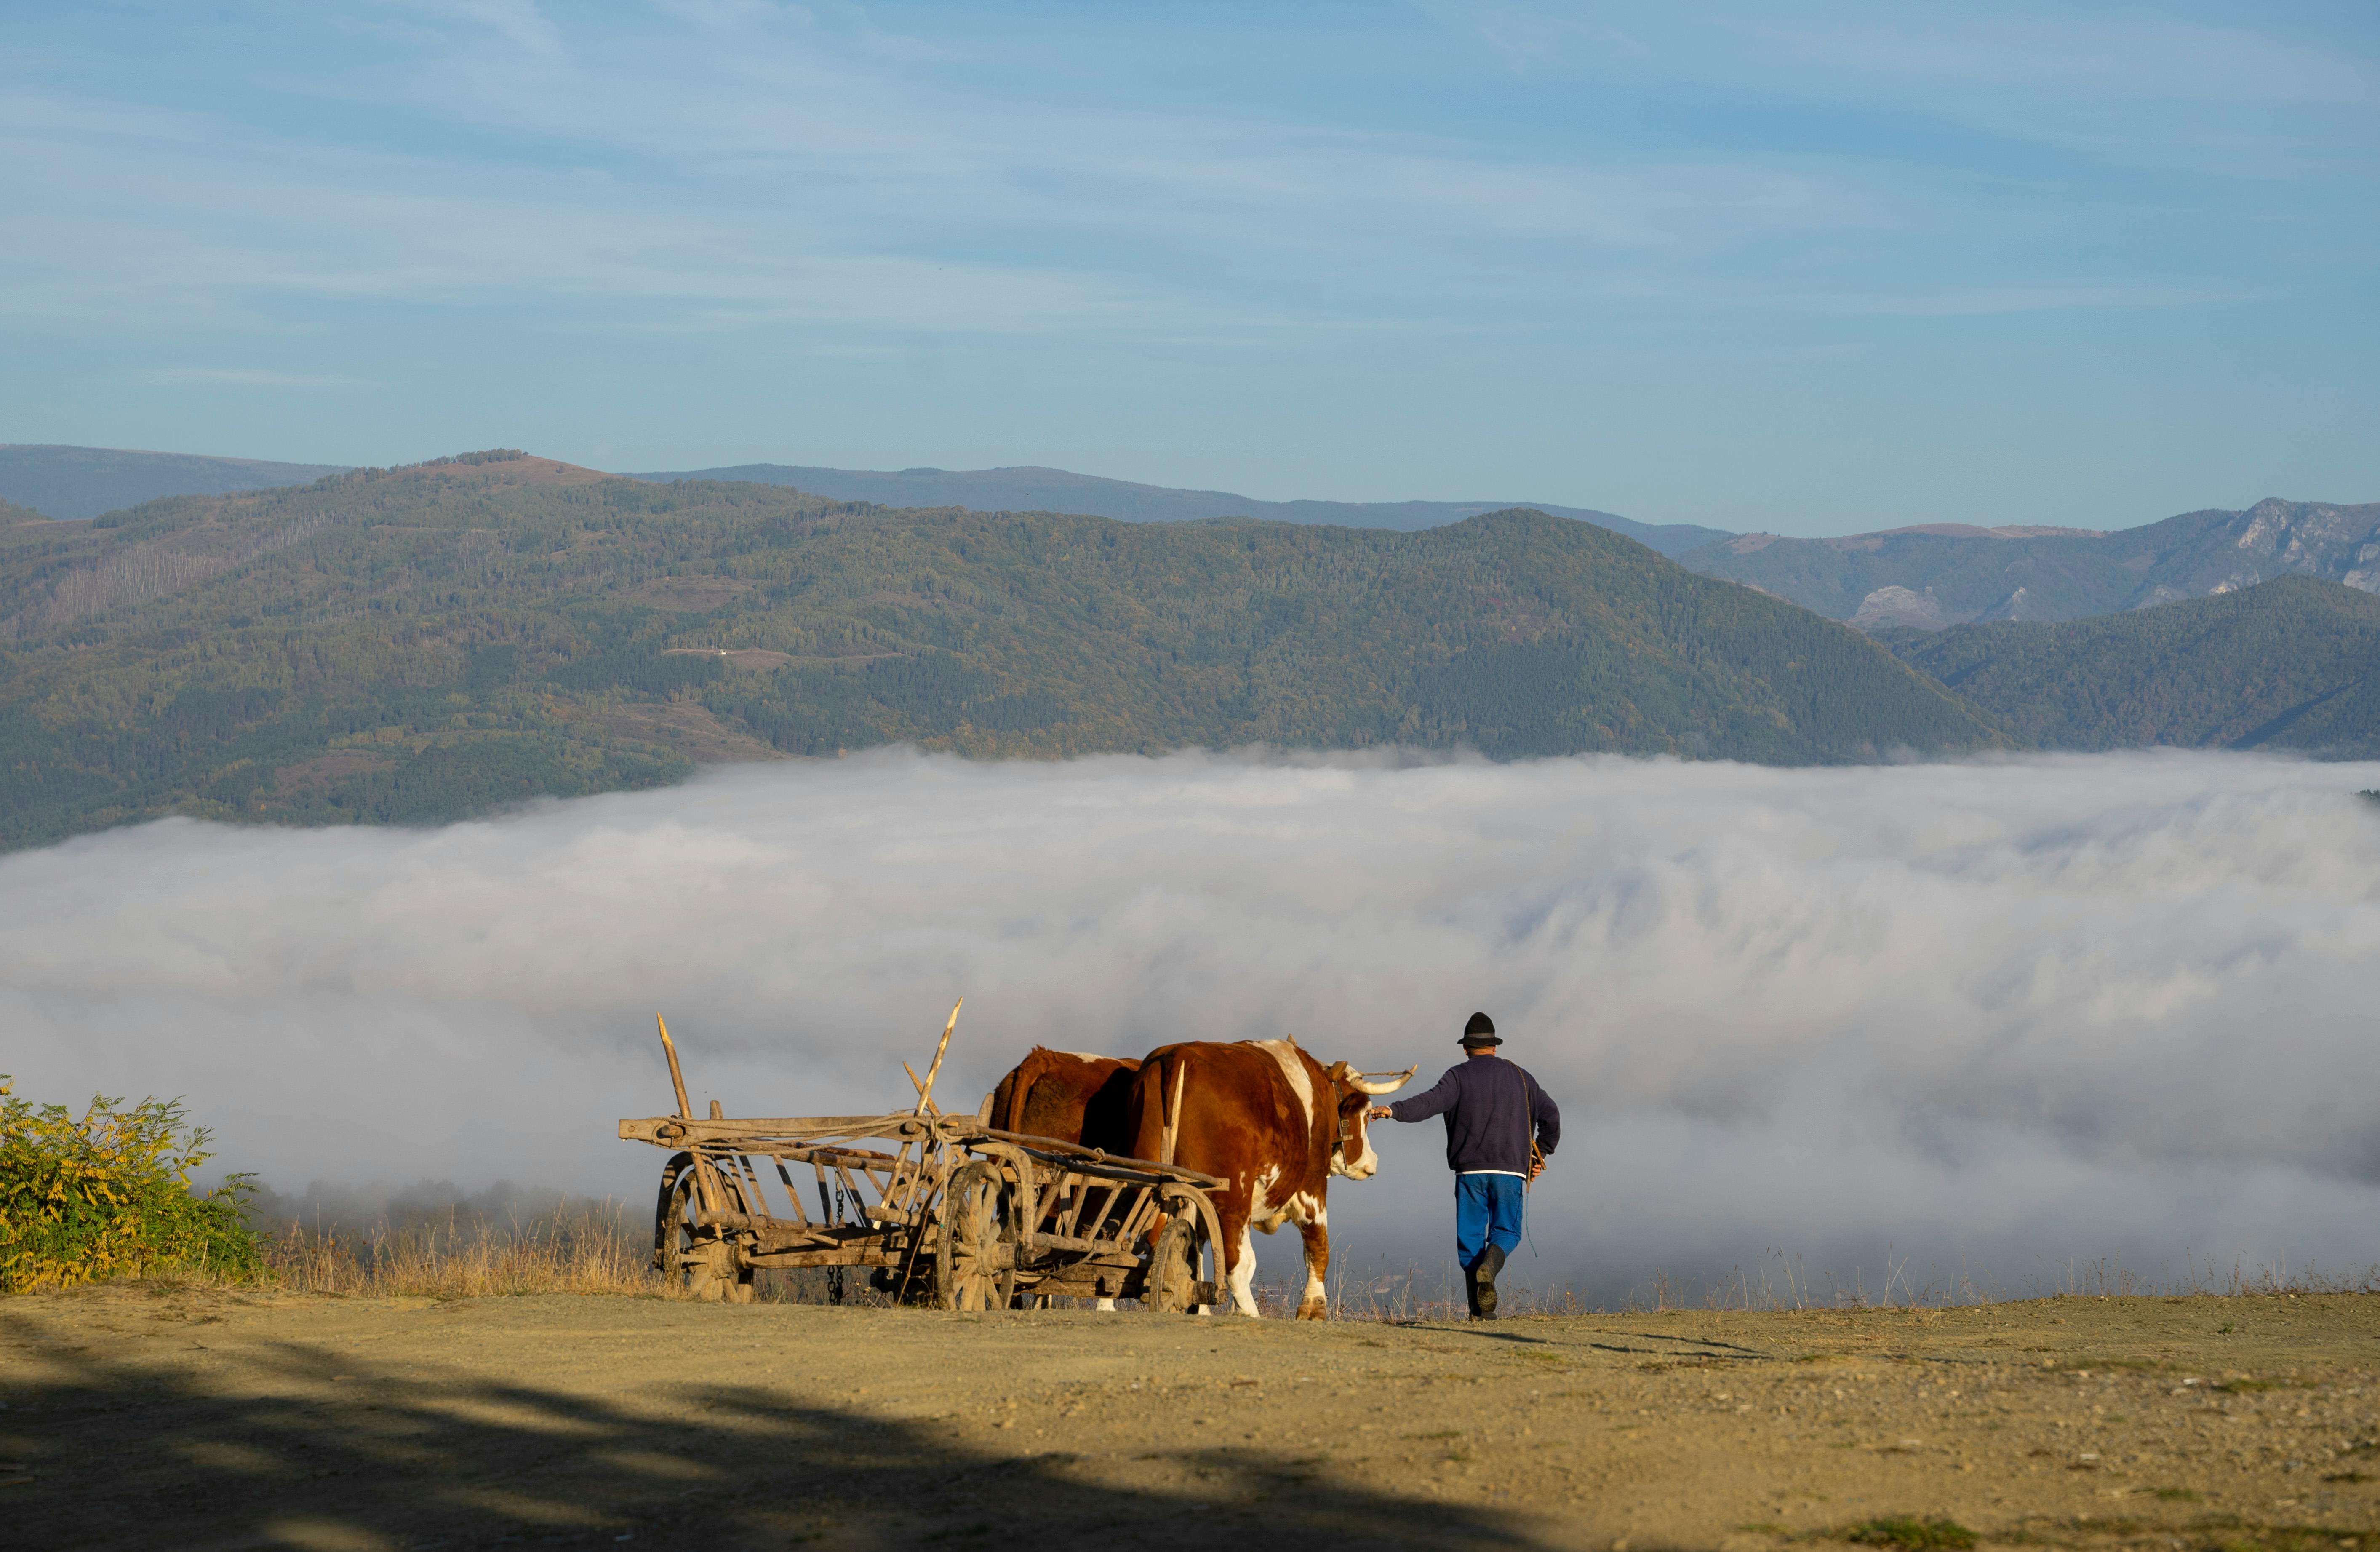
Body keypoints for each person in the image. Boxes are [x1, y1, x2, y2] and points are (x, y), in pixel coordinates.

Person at [1367, 1011, 1560, 1320]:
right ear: (1494, 1047)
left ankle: (1479, 1312)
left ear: (1466, 1048)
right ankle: (1490, 1269)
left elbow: (1429, 1103)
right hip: (1510, 1171)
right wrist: (1538, 1157)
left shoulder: (1457, 1076)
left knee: (1470, 1242)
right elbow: (1552, 1117)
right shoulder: (1522, 1077)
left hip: (1470, 1172)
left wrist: (1393, 1109)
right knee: (1506, 1232)